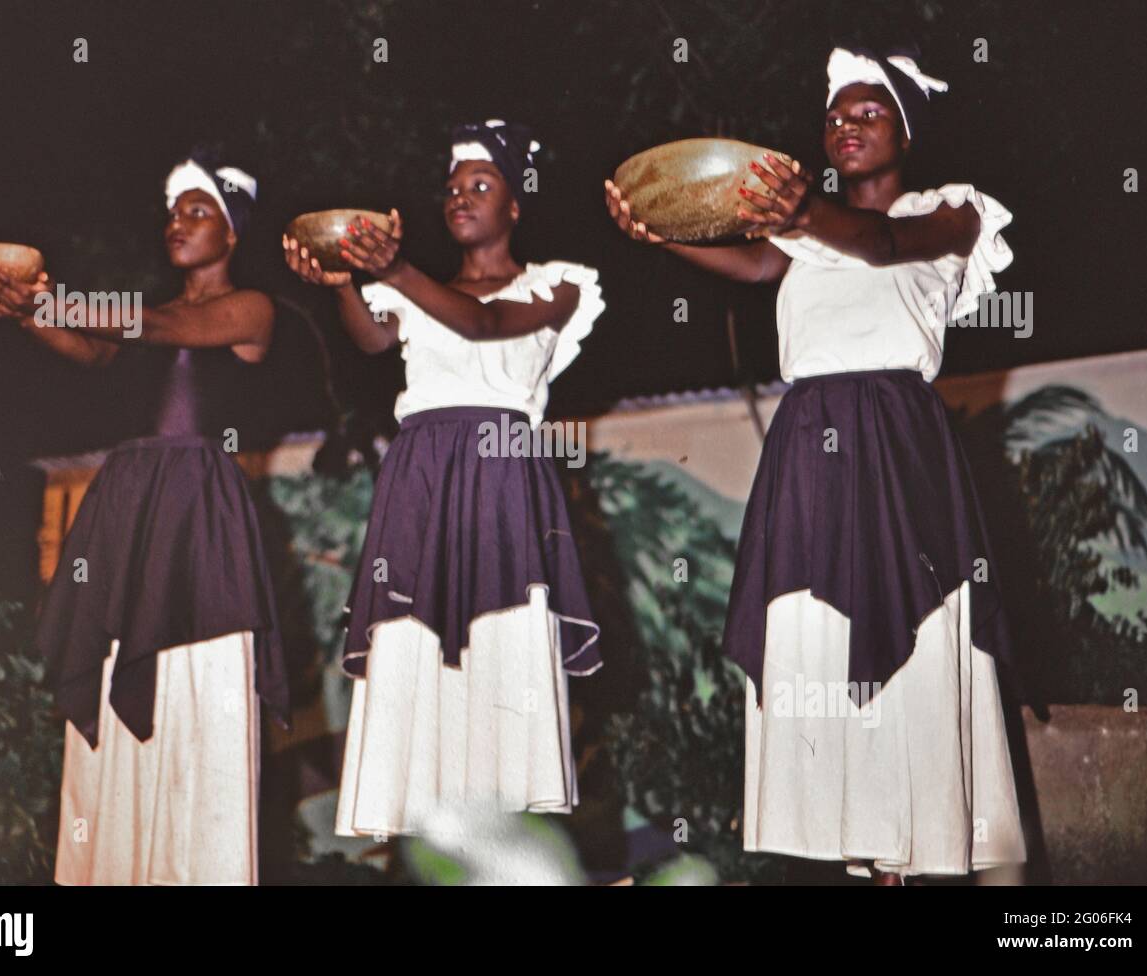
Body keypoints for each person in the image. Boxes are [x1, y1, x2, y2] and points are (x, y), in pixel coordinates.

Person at [605, 45, 1026, 883]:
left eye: (868, 112)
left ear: (906, 130)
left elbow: (876, 242)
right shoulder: (802, 237)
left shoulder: (951, 212)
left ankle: (924, 847)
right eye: (835, 116)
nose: (846, 126)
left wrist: (799, 215)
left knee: (911, 632)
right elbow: (759, 260)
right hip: (809, 444)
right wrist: (664, 235)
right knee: (819, 637)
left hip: (894, 443)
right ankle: (869, 857)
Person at [0, 151, 288, 884]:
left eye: (198, 211)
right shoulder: (142, 319)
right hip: (126, 508)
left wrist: (43, 300)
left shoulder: (249, 309)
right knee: (111, 680)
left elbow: (156, 325)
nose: (178, 222)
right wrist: (27, 310)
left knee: (193, 688)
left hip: (197, 513)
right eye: (174, 211)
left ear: (232, 234)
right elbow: (86, 347)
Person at [283, 119, 604, 837]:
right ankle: (437, 844)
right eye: (453, 187)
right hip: (421, 476)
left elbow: (485, 327)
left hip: (499, 478)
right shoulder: (417, 293)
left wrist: (395, 271)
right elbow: (370, 336)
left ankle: (507, 847)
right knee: (417, 653)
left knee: (499, 646)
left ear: (515, 205)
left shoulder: (555, 286)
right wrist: (343, 281)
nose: (461, 198)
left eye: (481, 185)